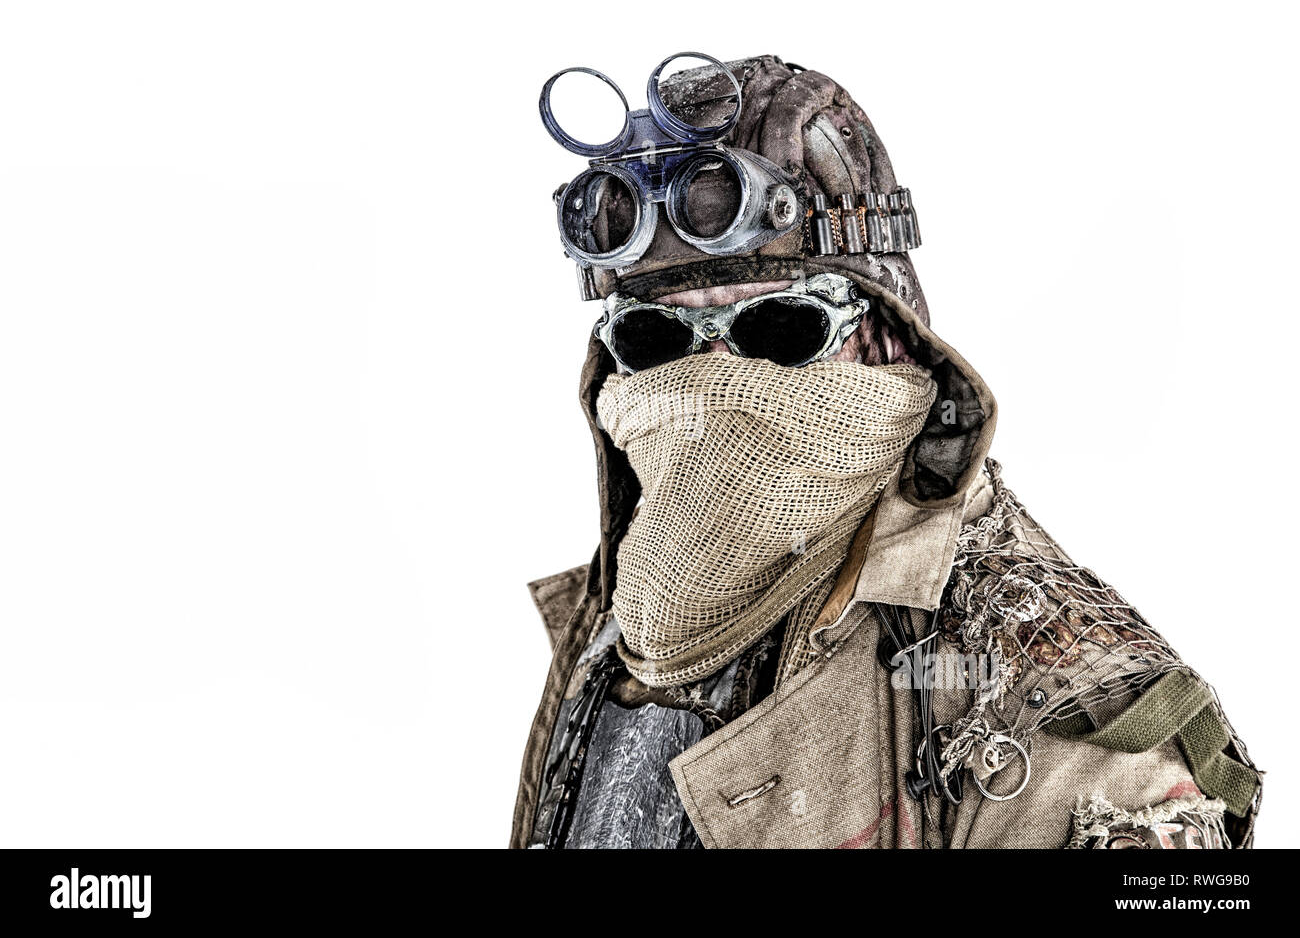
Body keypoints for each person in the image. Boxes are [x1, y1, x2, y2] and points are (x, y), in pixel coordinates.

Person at [511, 54, 1260, 849]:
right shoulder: (622, 621)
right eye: (655, 340)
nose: (714, 384)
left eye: (779, 330)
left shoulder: (1042, 698)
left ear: (882, 336)